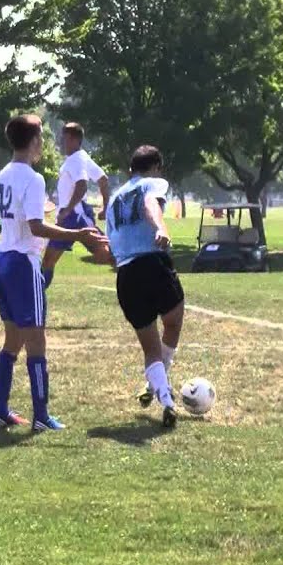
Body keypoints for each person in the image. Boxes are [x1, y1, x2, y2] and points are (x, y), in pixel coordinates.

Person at [0, 114, 105, 432]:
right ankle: (41, 417)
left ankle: (0, 411)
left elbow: (20, 217)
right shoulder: (33, 178)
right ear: (34, 141)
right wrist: (78, 235)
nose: (44, 142)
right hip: (21, 263)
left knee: (12, 340)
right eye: (41, 136)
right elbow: (36, 226)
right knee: (36, 342)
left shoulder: (2, 174)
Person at [106, 145, 184, 428]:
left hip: (126, 274)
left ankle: (163, 396)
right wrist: (160, 228)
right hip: (152, 262)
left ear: (130, 170)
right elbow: (150, 203)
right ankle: (159, 383)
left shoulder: (114, 197)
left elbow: (111, 240)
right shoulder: (154, 182)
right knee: (173, 321)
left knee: (149, 346)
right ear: (157, 167)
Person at [41, 122, 112, 288]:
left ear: (74, 139)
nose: (61, 142)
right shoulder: (82, 157)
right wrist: (105, 207)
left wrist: (67, 210)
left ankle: (35, 298)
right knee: (104, 253)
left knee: (49, 261)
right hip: (76, 214)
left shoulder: (75, 160)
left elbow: (82, 185)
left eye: (64, 138)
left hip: (74, 216)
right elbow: (103, 180)